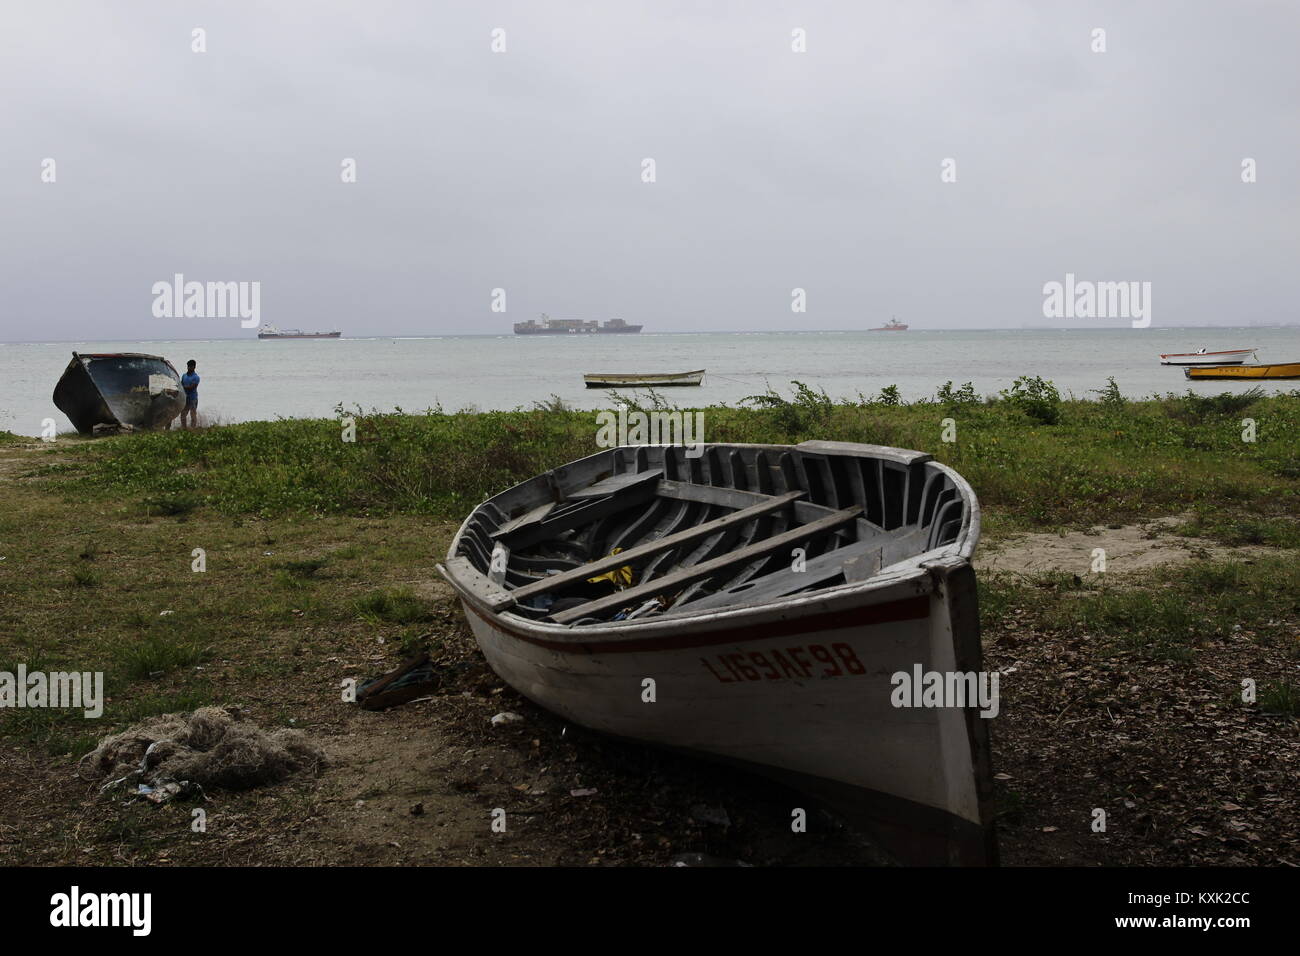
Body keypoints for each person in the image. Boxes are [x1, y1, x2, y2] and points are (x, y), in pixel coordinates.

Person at [180, 360, 200, 429]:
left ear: (194, 367)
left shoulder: (196, 377)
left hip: (193, 398)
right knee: (183, 415)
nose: (188, 368)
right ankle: (184, 429)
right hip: (185, 398)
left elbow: (192, 387)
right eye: (188, 366)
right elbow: (181, 384)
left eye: (190, 367)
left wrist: (182, 387)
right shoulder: (184, 376)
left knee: (193, 415)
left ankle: (193, 428)